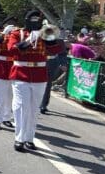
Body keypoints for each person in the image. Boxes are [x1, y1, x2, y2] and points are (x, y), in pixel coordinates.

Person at [8, 11, 63, 152]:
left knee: (34, 108)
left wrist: (49, 39)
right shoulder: (17, 33)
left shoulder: (44, 34)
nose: (34, 22)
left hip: (39, 75)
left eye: (37, 20)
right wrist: (27, 41)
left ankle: (29, 138)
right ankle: (19, 138)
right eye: (32, 19)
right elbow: (12, 50)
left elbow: (57, 49)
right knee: (21, 106)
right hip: (21, 73)